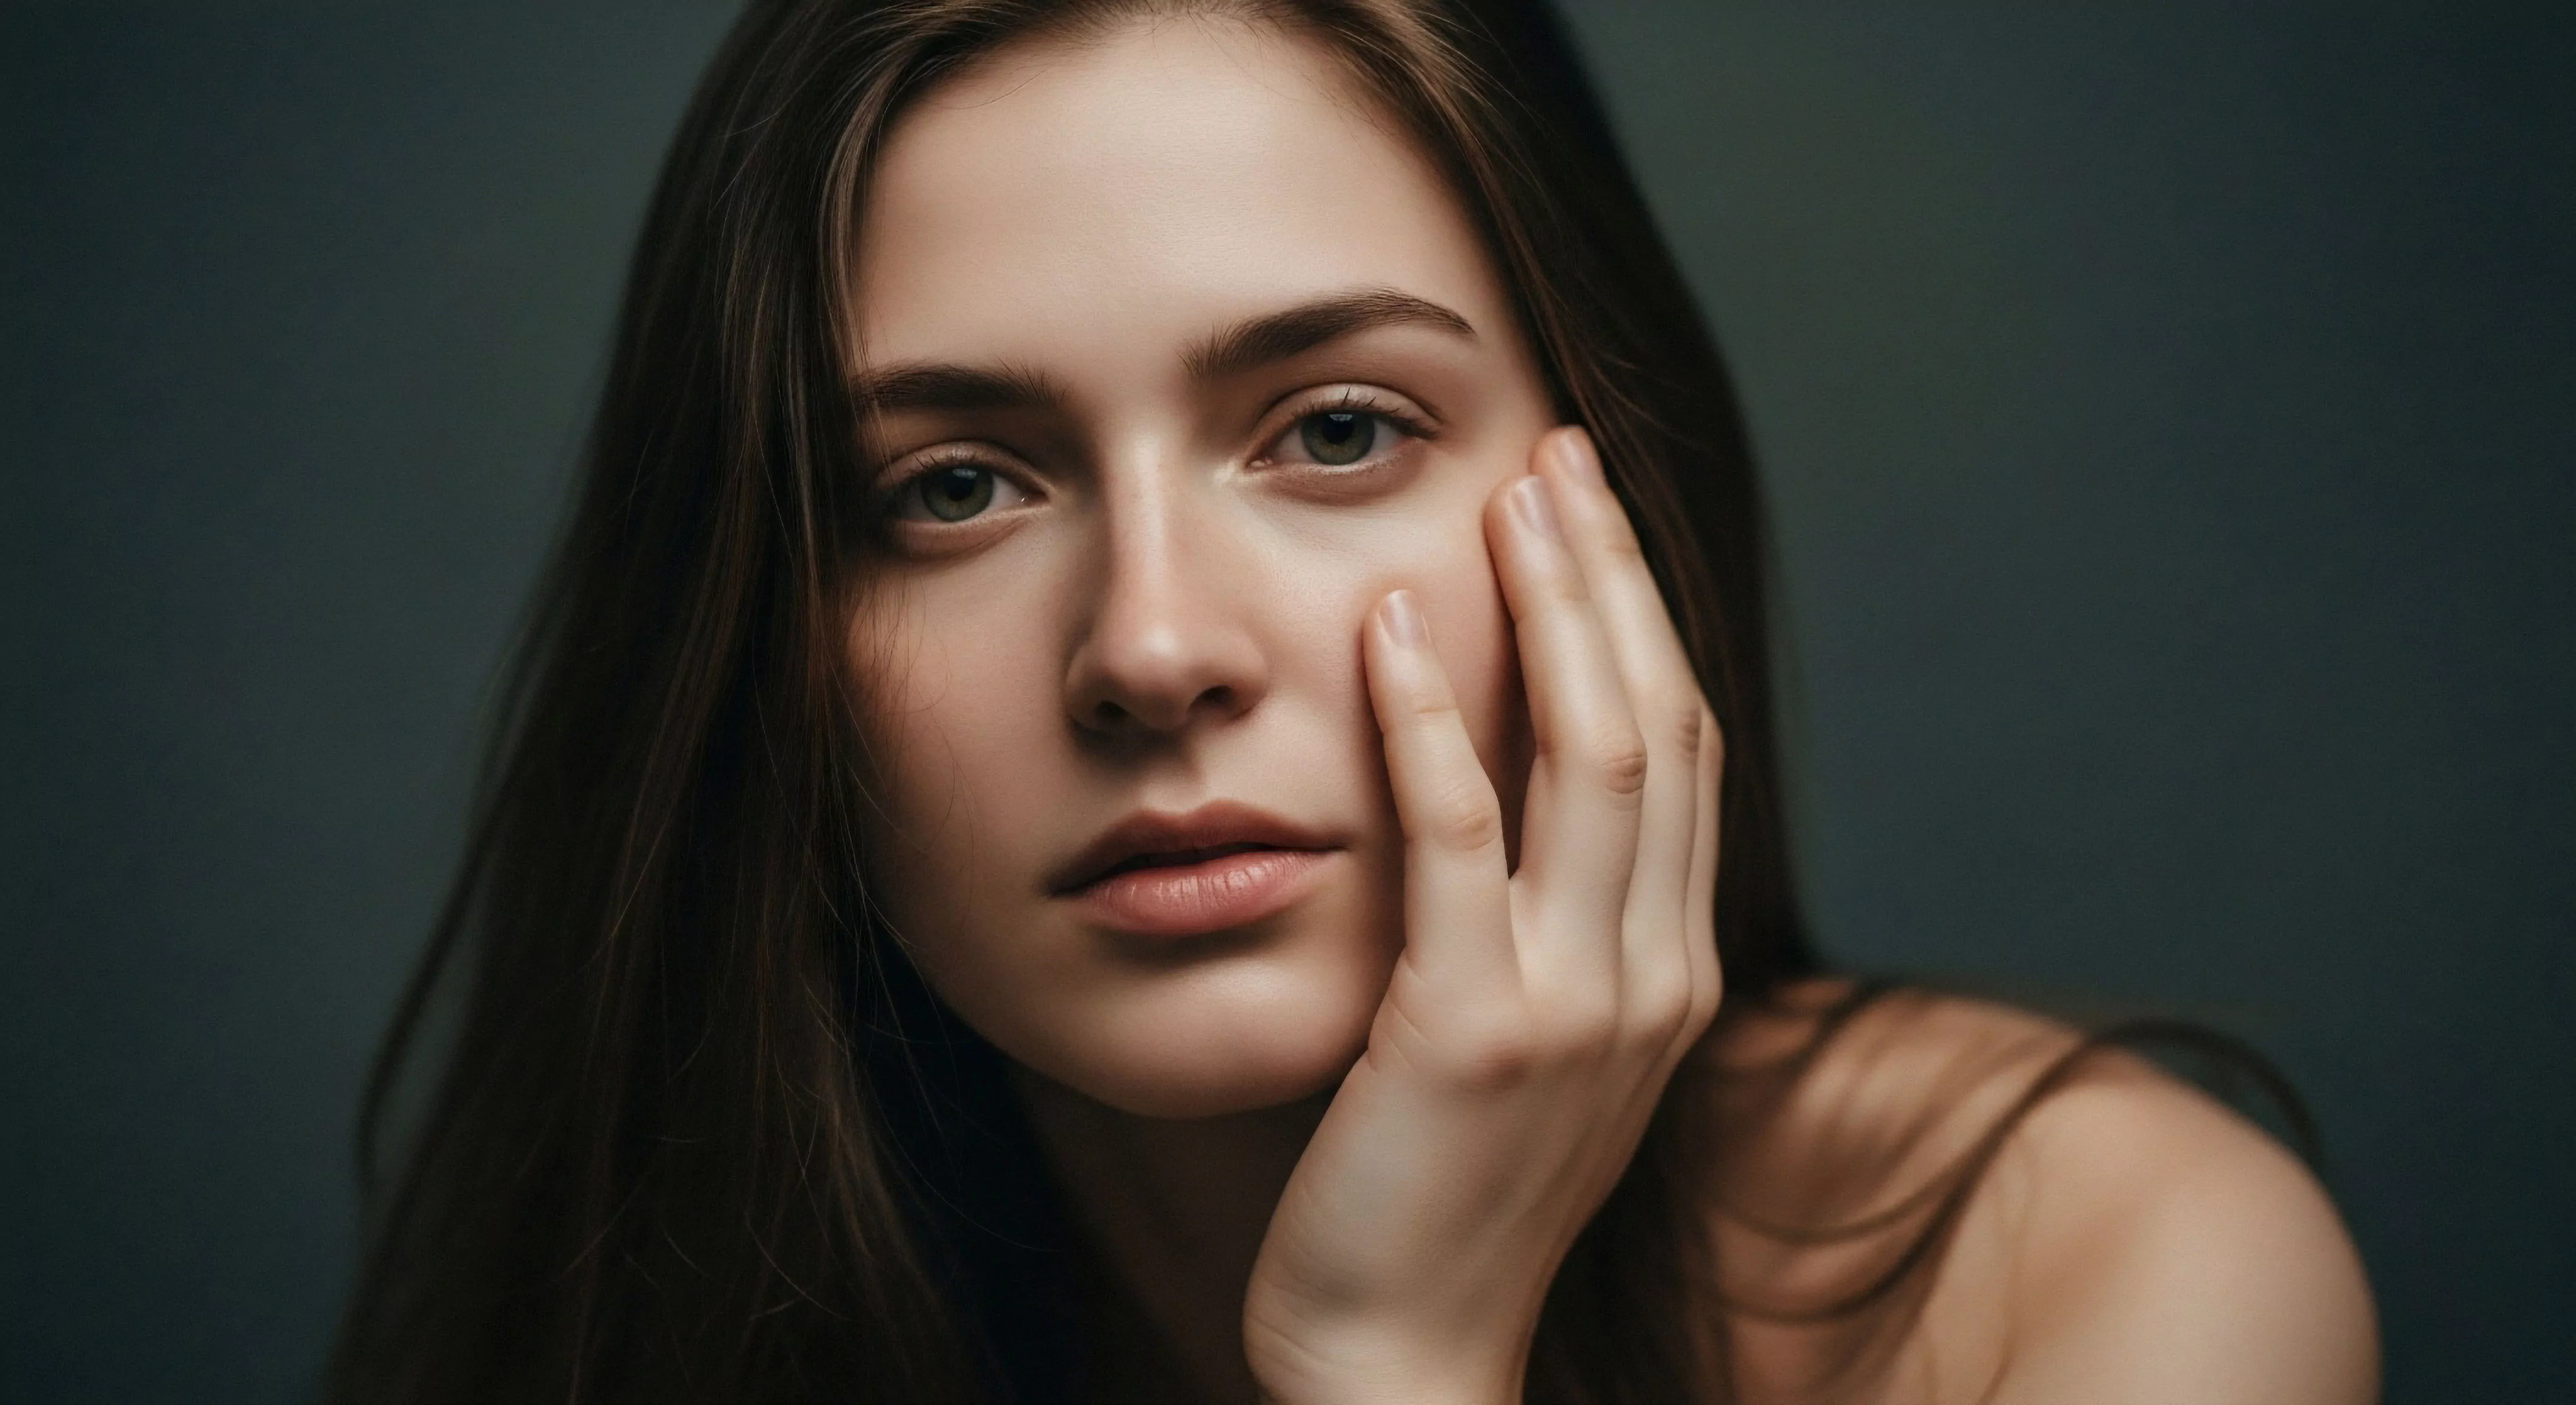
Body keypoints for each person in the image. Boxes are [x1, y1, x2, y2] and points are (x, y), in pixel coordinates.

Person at [327, 1, 2378, 1401]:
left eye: (1332, 432)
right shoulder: (636, 1330)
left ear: (1612, 497)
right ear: (760, 649)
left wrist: (1393, 1363)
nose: (1150, 649)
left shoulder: (2083, 1273)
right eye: (950, 488)